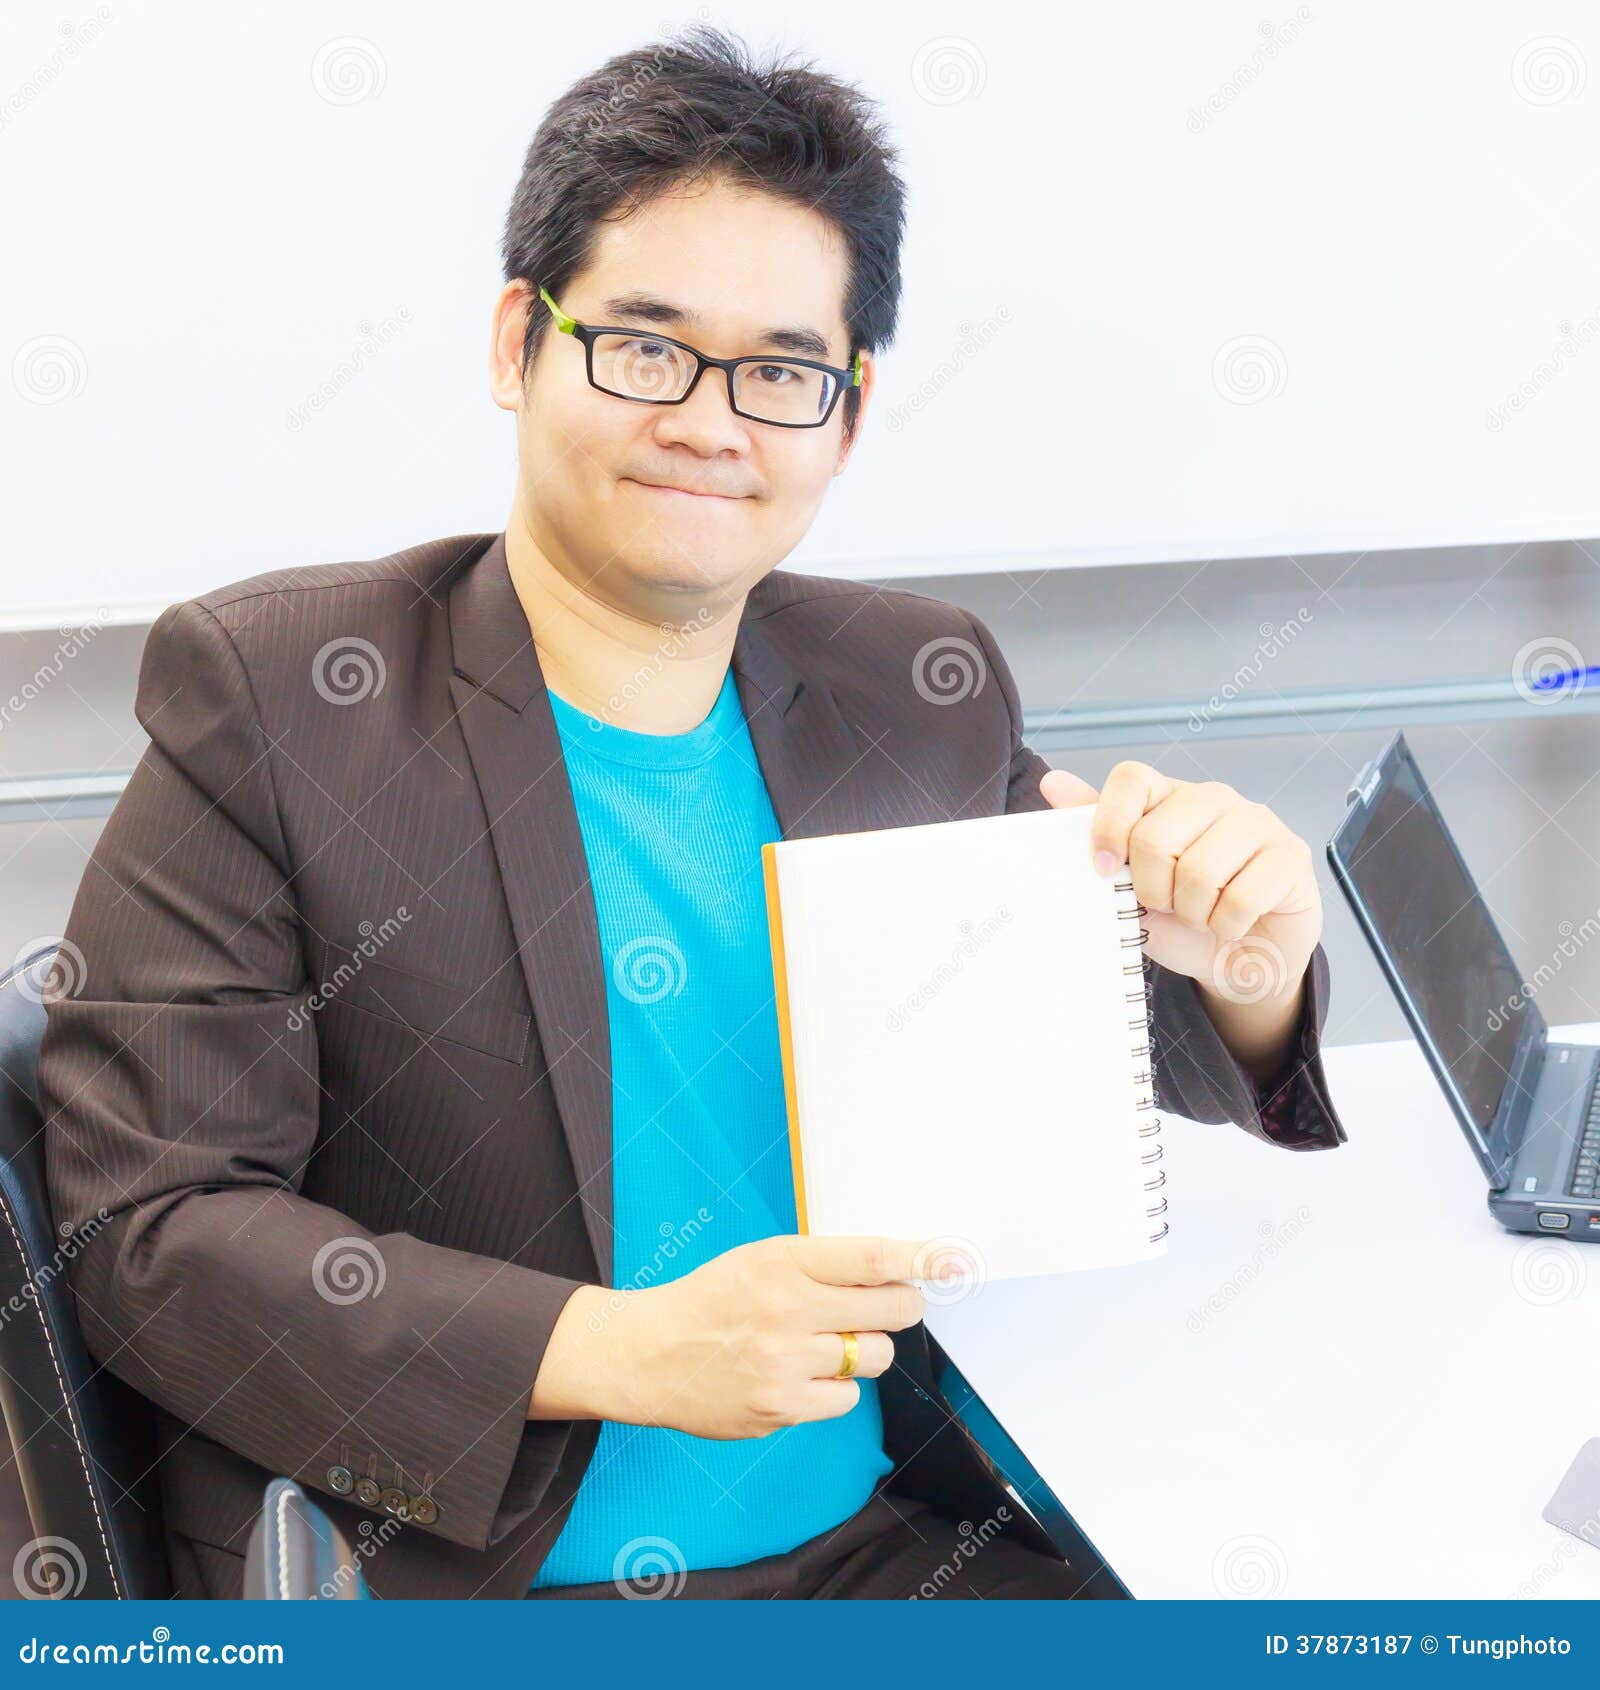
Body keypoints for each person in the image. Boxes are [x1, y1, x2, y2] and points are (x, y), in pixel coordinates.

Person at [37, 24, 1345, 1602]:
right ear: (518, 344)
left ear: (845, 414)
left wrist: (1245, 962)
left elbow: (1115, 1056)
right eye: (644, 348)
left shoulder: (910, 685)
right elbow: (149, 1234)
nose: (712, 423)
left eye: (781, 371)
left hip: (884, 1547)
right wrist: (623, 1347)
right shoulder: (281, 700)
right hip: (478, 1589)